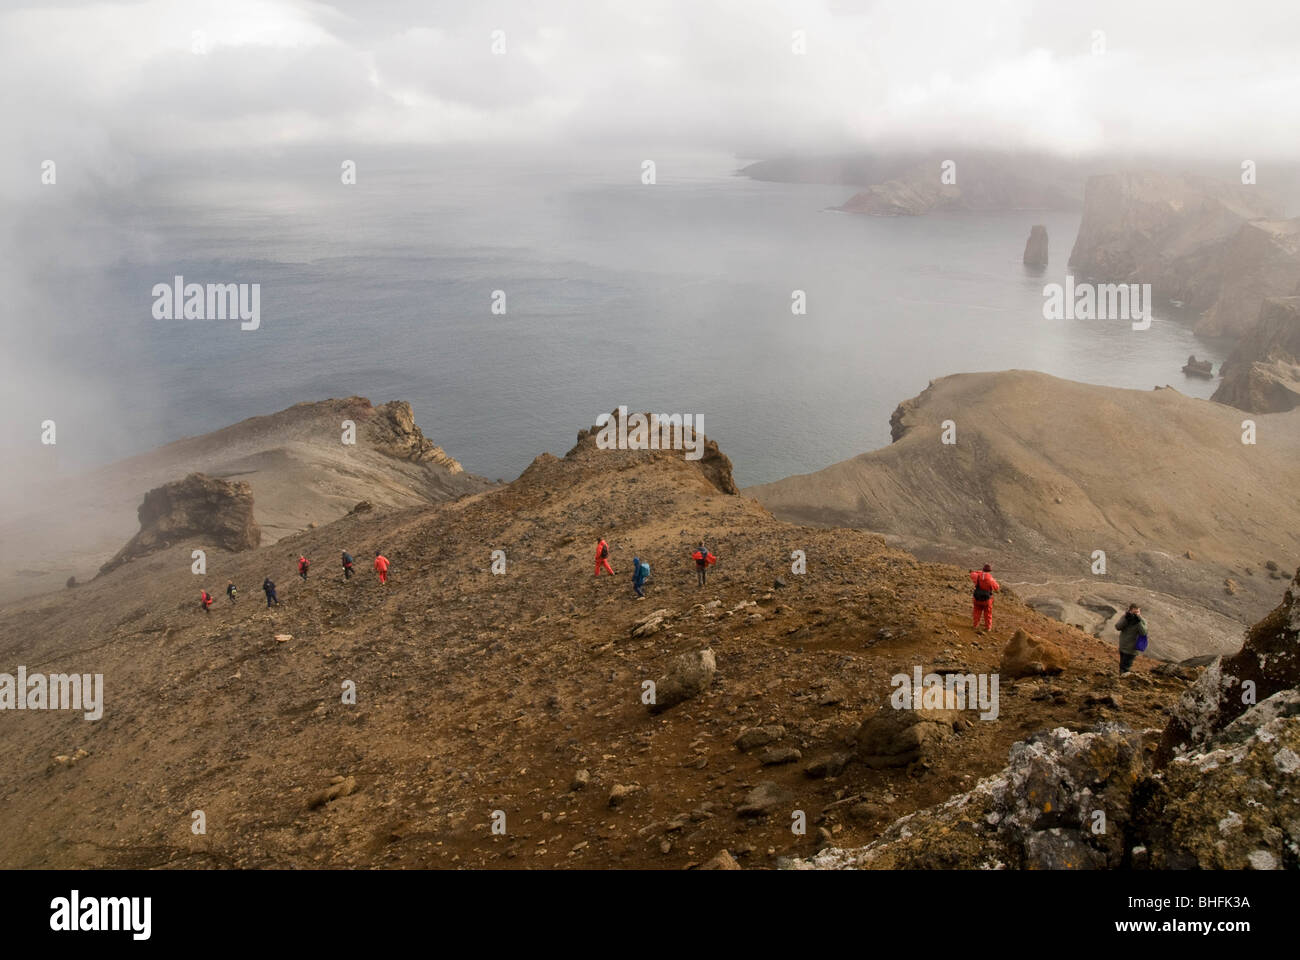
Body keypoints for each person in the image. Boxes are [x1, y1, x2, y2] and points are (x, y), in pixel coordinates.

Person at [1115, 603, 1149, 675]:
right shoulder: (1125, 617)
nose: (1136, 614)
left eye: (1138, 612)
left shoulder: (1142, 621)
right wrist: (1126, 619)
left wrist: (1138, 622)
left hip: (1132, 649)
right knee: (1121, 666)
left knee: (1125, 667)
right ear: (1130, 611)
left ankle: (1124, 680)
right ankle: (1121, 678)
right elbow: (1118, 627)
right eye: (1134, 612)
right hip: (1123, 646)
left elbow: (1144, 633)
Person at [969, 564, 1000, 632]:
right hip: (987, 600)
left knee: (976, 612)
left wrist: (979, 572)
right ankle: (988, 628)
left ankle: (975, 625)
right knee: (988, 613)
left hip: (977, 597)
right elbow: (997, 587)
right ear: (989, 571)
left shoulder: (977, 576)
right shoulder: (990, 579)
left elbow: (972, 573)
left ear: (983, 569)